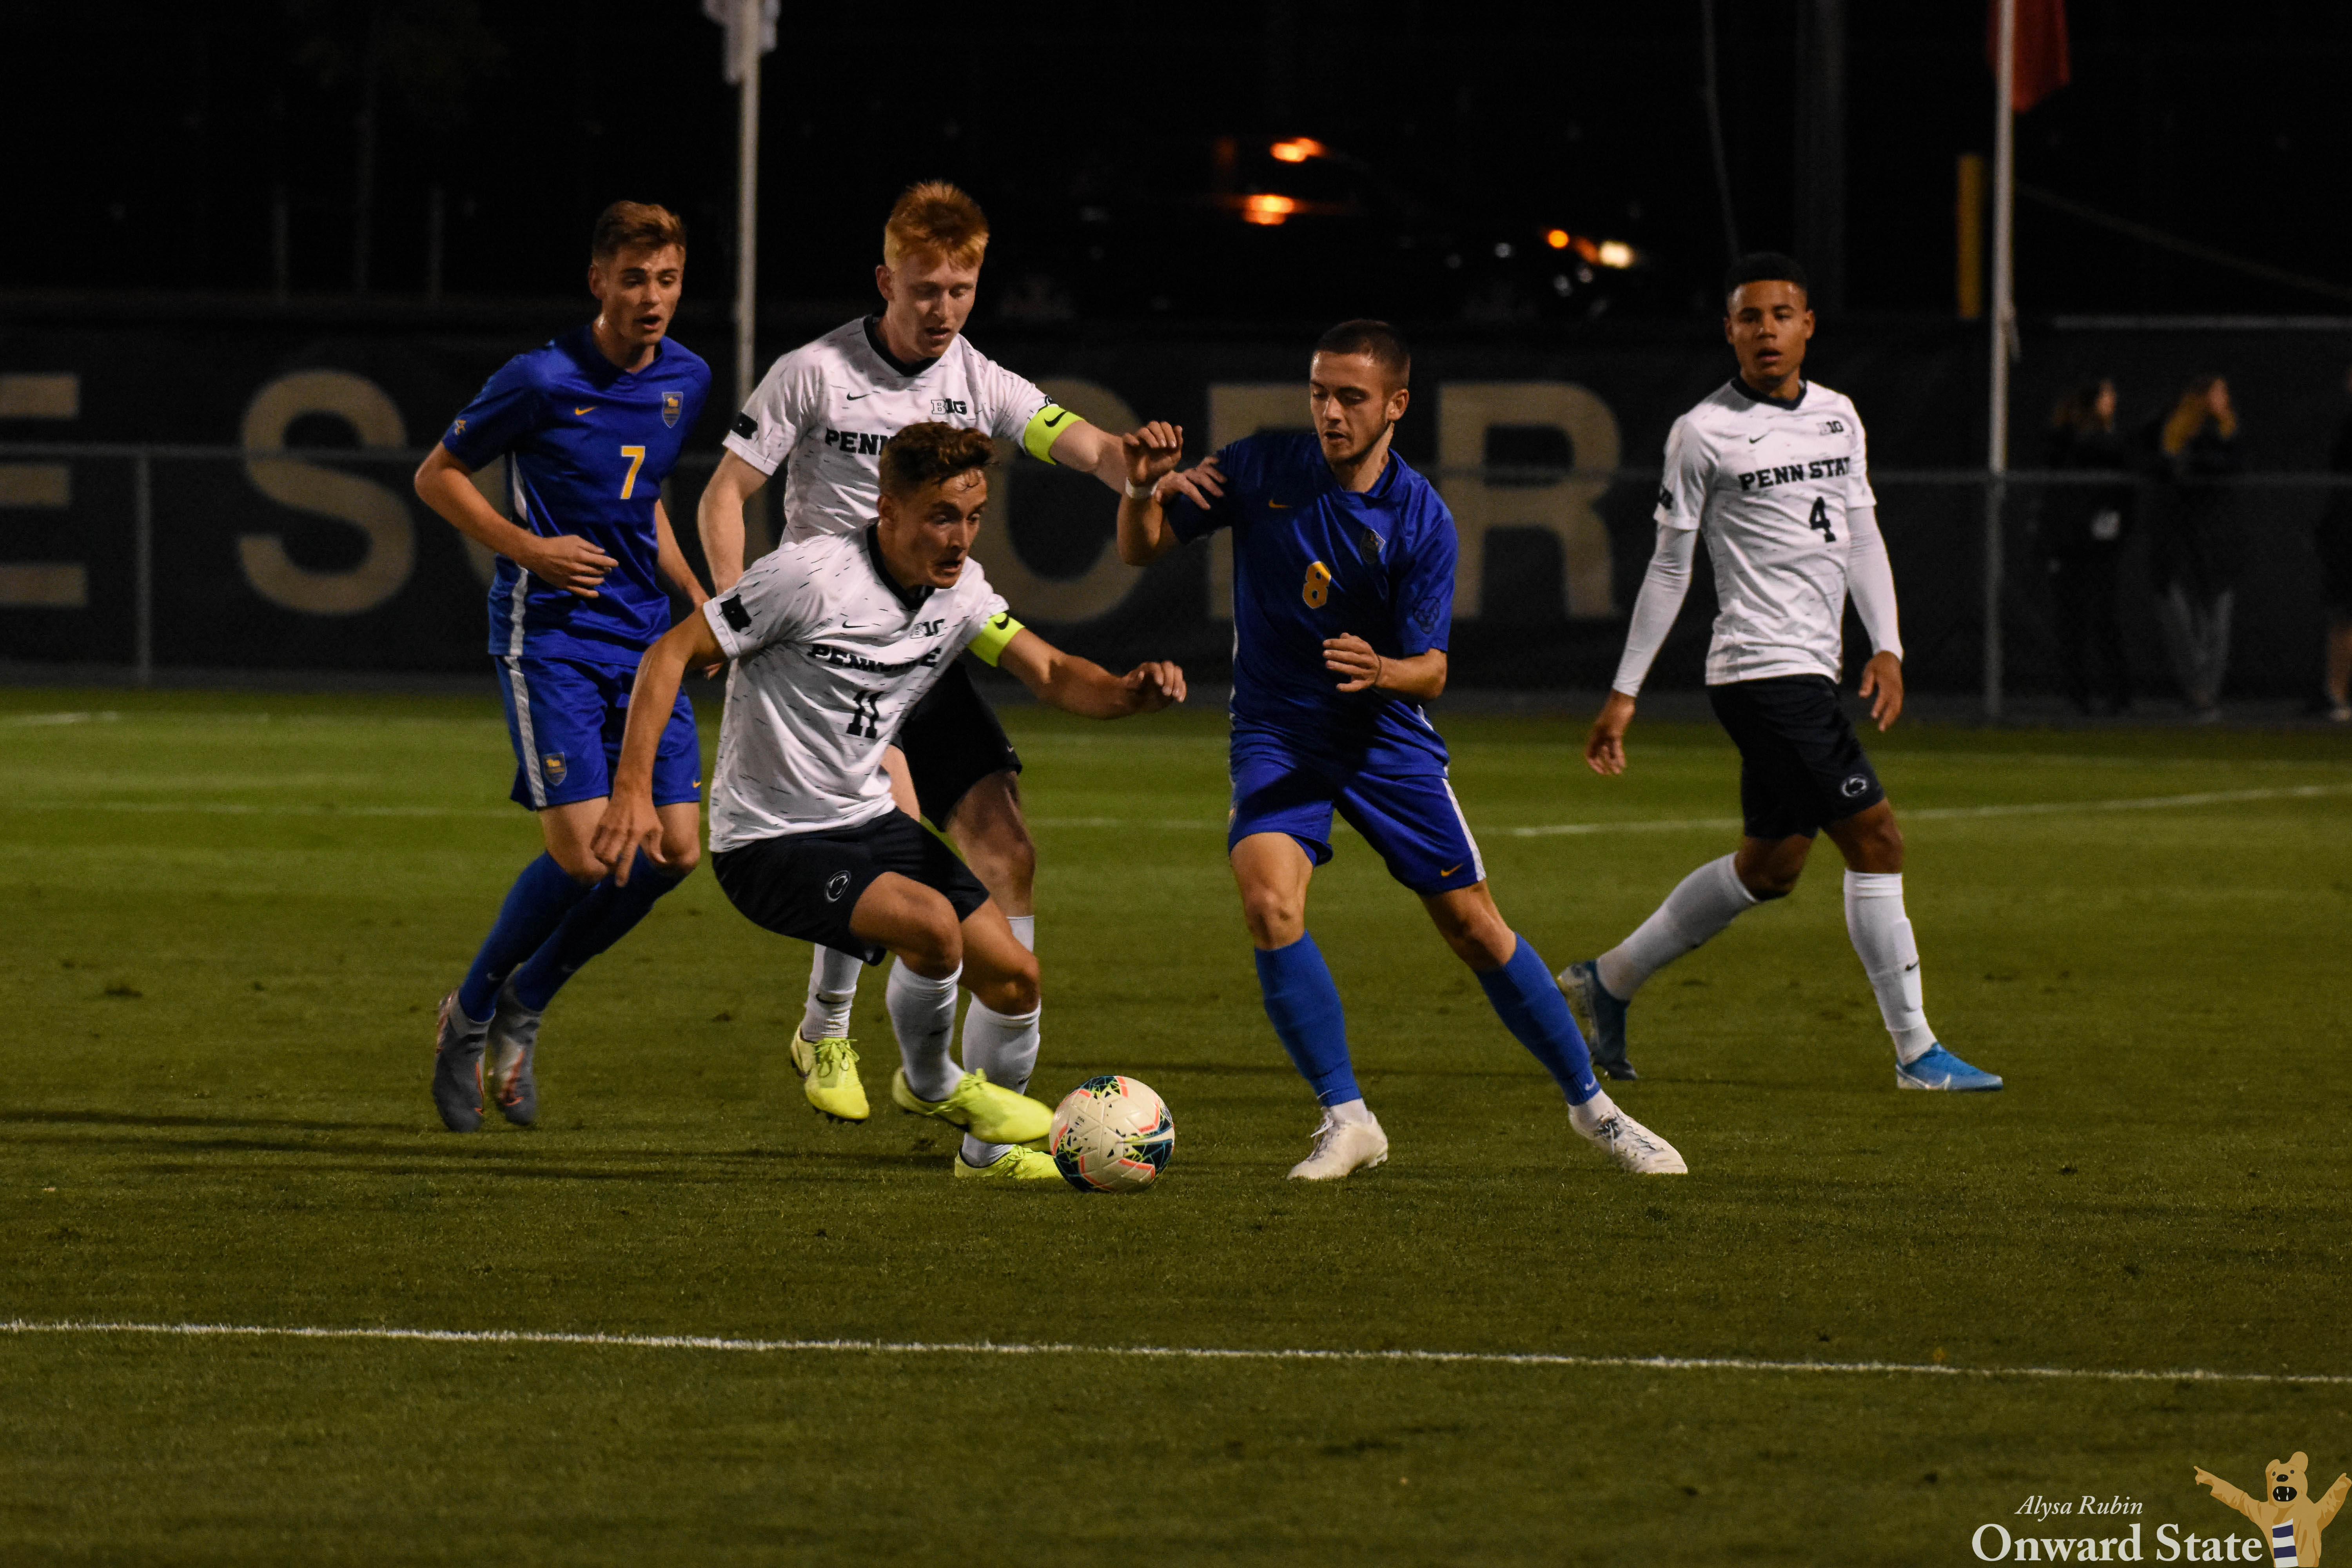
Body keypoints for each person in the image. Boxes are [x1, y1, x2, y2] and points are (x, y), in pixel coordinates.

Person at [1115, 320, 1686, 1179]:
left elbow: (1433, 672)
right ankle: (1348, 1117)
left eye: (1352, 397)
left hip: (1386, 741)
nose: (1332, 412)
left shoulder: (1421, 518)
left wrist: (1383, 667)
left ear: (1396, 405)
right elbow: (1142, 546)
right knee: (1270, 903)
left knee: (1475, 927)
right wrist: (1138, 491)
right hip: (1279, 734)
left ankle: (1595, 1109)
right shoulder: (1262, 465)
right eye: (1320, 393)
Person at [695, 181, 1172, 1123]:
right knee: (886, 839)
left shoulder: (977, 378)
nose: (942, 309)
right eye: (925, 290)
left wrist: (1132, 467)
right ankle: (830, 1028)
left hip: (928, 637)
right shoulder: (814, 372)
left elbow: (1086, 446)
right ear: (887, 280)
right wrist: (735, 611)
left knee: (1009, 849)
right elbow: (726, 494)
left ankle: (993, 1112)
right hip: (827, 649)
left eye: (961, 288)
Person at [593, 424, 1186, 1181]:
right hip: (770, 842)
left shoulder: (961, 592)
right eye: (943, 516)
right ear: (888, 509)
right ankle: (933, 1084)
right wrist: (633, 792)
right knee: (930, 925)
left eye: (972, 517)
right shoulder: (806, 579)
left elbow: (1052, 670)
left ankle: (986, 1156)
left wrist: (1127, 695)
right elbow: (670, 651)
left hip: (867, 822)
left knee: (1013, 978)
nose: (961, 538)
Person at [1559, 253, 2001, 1094]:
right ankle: (1916, 1052)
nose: (1767, 329)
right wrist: (1625, 692)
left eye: (1782, 314)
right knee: (1878, 839)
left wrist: (1889, 644)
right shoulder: (1703, 431)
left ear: (1807, 327)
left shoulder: (1839, 416)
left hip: (1812, 669)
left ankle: (1605, 980)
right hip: (1760, 672)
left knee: (1771, 867)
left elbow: (1862, 534)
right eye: (1750, 317)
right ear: (1729, 330)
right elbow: (1668, 568)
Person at [411, 201, 713, 1132]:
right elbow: (437, 476)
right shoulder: (539, 379)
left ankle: (526, 1003)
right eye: (634, 279)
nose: (652, 298)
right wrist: (528, 549)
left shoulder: (686, 379)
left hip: (642, 636)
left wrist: (699, 599)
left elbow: (642, 497)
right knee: (585, 857)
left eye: (666, 279)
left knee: (672, 852)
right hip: (549, 635)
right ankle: (467, 1011)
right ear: (599, 282)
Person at [2145, 376, 2243, 721]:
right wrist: (2174, 460)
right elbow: (2146, 459)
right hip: (2178, 541)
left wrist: (2194, 457)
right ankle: (2197, 691)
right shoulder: (2169, 426)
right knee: (2181, 620)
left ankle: (2205, 696)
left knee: (2216, 621)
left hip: (2216, 543)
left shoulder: (2226, 431)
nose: (2224, 399)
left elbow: (2230, 464)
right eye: (2218, 393)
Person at [2035, 379, 2135, 715]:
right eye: (2108, 397)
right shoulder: (2075, 444)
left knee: (2096, 621)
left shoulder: (2101, 445)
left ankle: (2112, 695)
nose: (2114, 401)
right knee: (2077, 622)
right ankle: (2086, 696)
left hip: (2095, 546)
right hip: (2073, 545)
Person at [2315, 366, 2352, 723]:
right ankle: (2334, 693)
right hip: (2345, 532)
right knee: (2344, 615)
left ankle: (2335, 692)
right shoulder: (2346, 425)